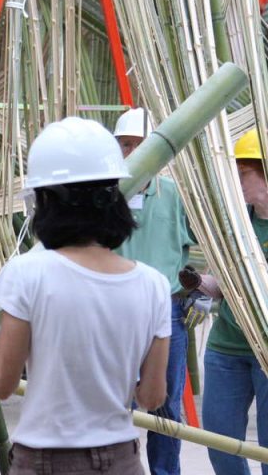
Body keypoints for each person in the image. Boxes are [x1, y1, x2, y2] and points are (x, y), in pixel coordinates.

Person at [0, 117, 171, 475]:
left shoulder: (29, 273)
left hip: (46, 462)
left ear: (47, 201)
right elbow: (151, 397)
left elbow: (1, 381)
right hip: (123, 460)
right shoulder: (154, 285)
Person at [113, 107, 197, 475]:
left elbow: (202, 248)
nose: (133, 153)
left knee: (165, 408)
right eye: (126, 145)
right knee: (115, 406)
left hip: (168, 313)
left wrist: (201, 291)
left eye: (140, 145)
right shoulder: (105, 197)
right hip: (115, 315)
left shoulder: (177, 195)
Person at [203, 128, 268, 475]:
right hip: (226, 348)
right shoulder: (234, 224)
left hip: (267, 353)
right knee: (220, 443)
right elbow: (218, 286)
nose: (237, 183)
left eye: (243, 174)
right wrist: (197, 282)